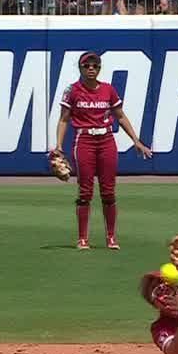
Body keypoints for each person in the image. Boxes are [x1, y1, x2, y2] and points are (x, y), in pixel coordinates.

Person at [50, 51, 152, 252]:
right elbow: (64, 119)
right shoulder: (73, 91)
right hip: (85, 140)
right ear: (80, 68)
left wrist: (136, 140)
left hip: (106, 140)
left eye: (95, 66)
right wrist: (59, 146)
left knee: (108, 191)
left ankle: (111, 237)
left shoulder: (108, 89)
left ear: (99, 68)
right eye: (87, 65)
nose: (91, 69)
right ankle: (82, 239)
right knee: (85, 191)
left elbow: (120, 116)